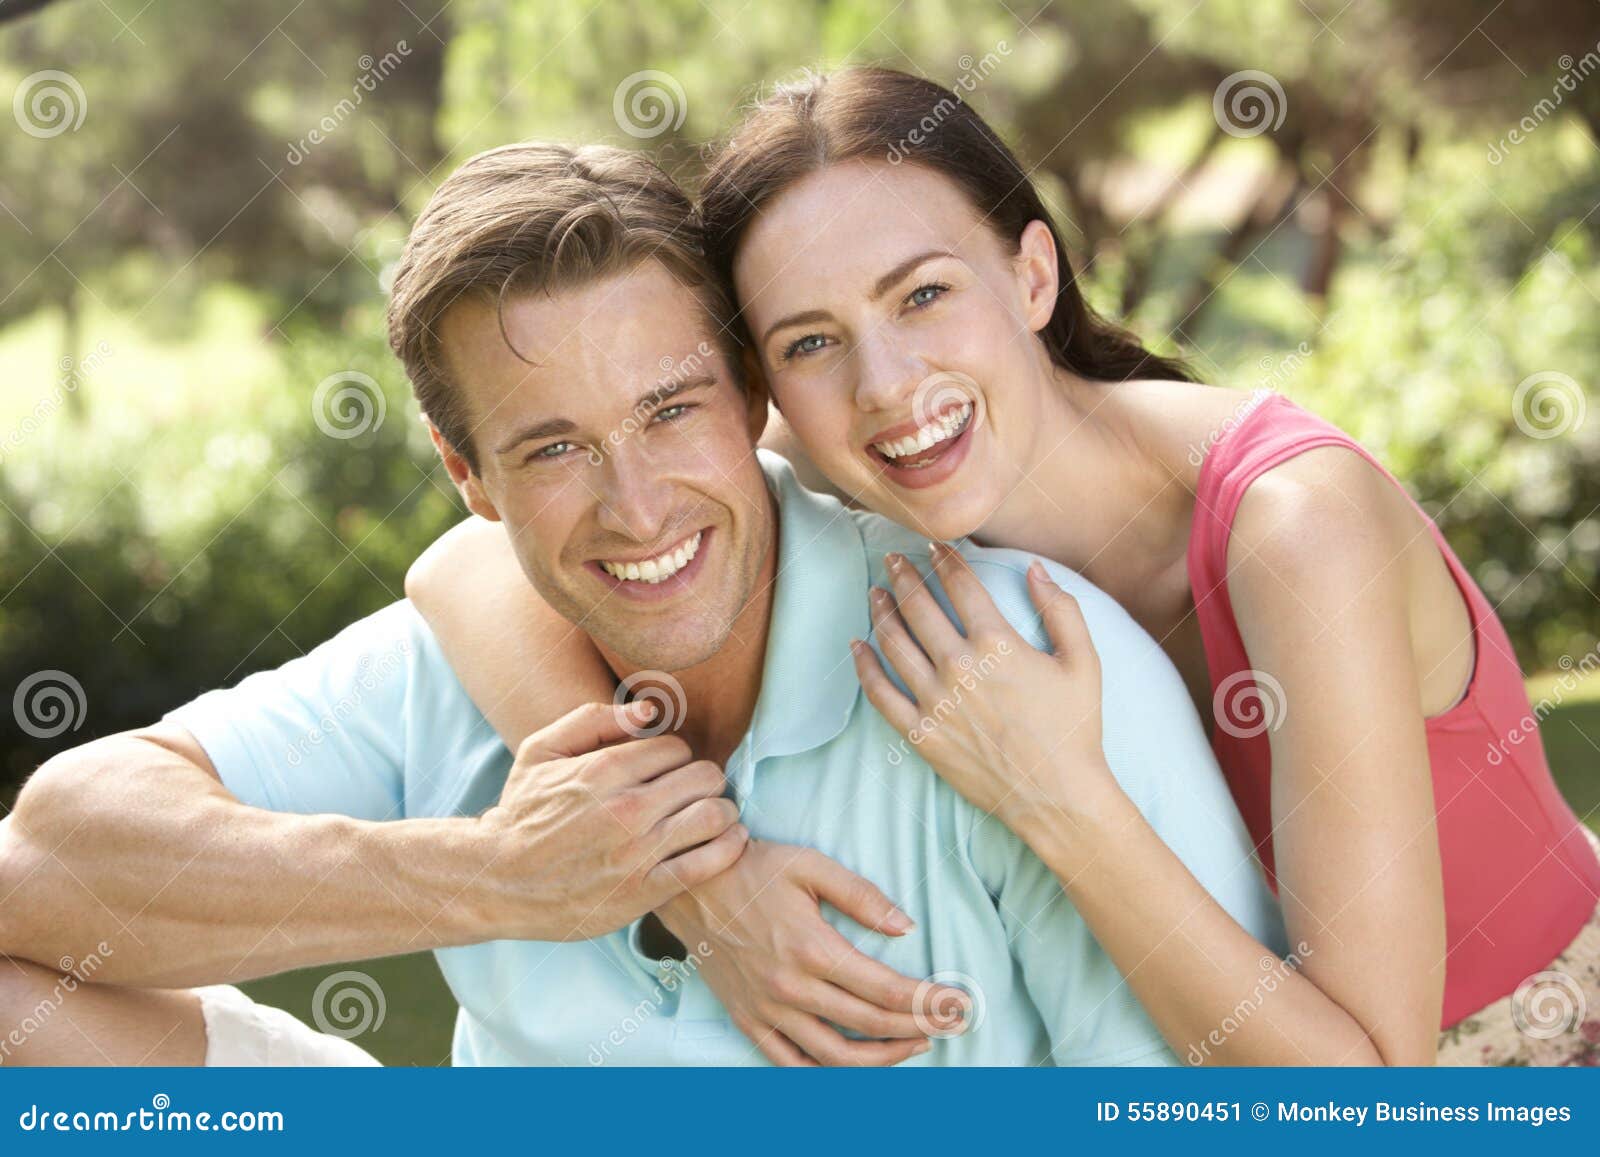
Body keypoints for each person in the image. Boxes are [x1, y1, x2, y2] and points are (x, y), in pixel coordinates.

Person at [406, 68, 1600, 1066]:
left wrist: (1056, 794)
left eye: (923, 293)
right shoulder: (849, 454)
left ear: (1032, 275)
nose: (886, 384)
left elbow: (1367, 1098)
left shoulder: (1295, 524)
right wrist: (687, 869)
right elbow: (469, 568)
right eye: (810, 340)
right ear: (768, 383)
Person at [0, 141, 1283, 1067]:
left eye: (669, 412)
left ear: (749, 400)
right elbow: (42, 862)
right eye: (553, 448)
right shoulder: (445, 662)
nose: (637, 506)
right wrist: (497, 876)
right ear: (469, 478)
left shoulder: (1023, 663)